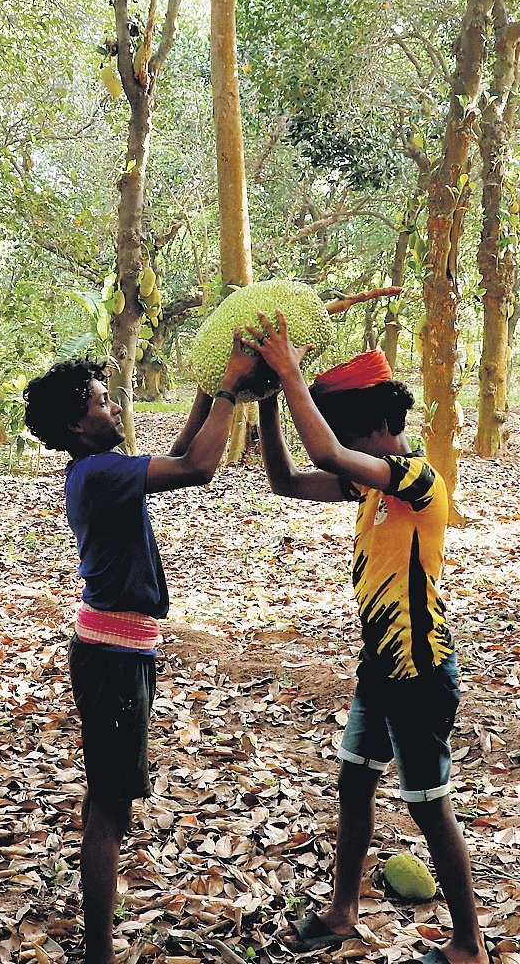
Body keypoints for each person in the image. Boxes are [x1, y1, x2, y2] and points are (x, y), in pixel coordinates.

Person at [247, 310, 487, 964]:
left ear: (382, 427)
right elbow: (286, 481)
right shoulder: (369, 483)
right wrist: (267, 403)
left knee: (428, 808)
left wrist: (289, 372)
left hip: (418, 670)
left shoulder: (416, 480)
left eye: (356, 433)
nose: (348, 446)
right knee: (354, 787)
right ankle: (341, 911)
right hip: (378, 670)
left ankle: (469, 946)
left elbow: (323, 453)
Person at [23, 334, 261, 964]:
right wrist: (232, 392)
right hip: (112, 657)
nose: (114, 408)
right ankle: (99, 950)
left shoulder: (100, 469)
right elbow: (200, 469)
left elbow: (181, 450)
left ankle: (99, 936)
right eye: (102, 403)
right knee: (109, 802)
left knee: (111, 792)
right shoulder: (99, 474)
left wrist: (211, 387)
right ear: (79, 423)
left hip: (118, 651)